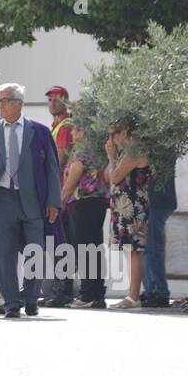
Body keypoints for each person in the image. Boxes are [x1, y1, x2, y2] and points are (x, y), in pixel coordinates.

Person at [0, 82, 62, 318]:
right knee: (4, 254)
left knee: (35, 252)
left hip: (33, 201)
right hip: (2, 200)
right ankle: (12, 302)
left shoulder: (39, 131)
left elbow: (52, 169)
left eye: (4, 100)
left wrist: (54, 202)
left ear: (19, 103)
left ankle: (31, 297)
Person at [61, 122, 110, 309]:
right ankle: (97, 294)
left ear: (84, 131)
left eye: (75, 129)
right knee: (95, 247)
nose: (72, 133)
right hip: (99, 203)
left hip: (82, 203)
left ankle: (87, 294)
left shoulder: (82, 151)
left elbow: (75, 173)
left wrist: (60, 200)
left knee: (83, 248)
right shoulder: (99, 150)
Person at [105, 123, 152, 309]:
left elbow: (115, 177)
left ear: (124, 132)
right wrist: (113, 158)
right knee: (128, 250)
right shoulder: (125, 154)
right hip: (124, 207)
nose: (111, 140)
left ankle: (133, 296)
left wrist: (111, 157)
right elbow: (109, 176)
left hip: (134, 208)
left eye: (113, 135)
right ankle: (132, 295)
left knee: (133, 251)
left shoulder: (134, 152)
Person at [41, 85, 75, 307]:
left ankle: (62, 292)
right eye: (50, 99)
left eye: (57, 99)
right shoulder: (55, 126)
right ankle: (59, 290)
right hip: (60, 193)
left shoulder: (65, 126)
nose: (53, 103)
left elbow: (59, 160)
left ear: (66, 101)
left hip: (62, 194)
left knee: (62, 245)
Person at [142, 163, 177, 308]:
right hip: (156, 201)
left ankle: (159, 292)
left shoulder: (158, 150)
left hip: (157, 201)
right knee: (147, 249)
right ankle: (151, 290)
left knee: (152, 249)